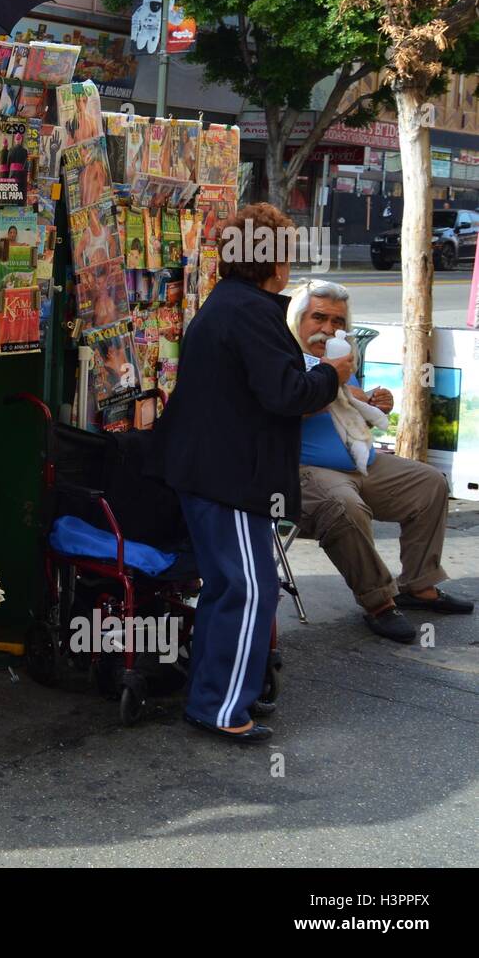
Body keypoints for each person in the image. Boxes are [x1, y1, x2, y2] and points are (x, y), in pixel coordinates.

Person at [151, 203, 351, 743]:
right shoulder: (248, 311)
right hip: (231, 477)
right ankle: (219, 707)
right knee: (247, 590)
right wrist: (332, 375)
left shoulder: (232, 304)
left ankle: (212, 697)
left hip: (217, 471)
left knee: (231, 587)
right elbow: (285, 394)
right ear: (273, 261)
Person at [287, 280, 473, 642]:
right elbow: (281, 409)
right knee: (343, 506)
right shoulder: (282, 355)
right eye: (319, 318)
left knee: (430, 483)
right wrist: (329, 386)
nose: (328, 329)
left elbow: (350, 407)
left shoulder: (341, 353)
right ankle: (379, 602)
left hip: (360, 461)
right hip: (308, 470)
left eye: (337, 321)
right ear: (298, 320)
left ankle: (419, 585)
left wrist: (373, 400)